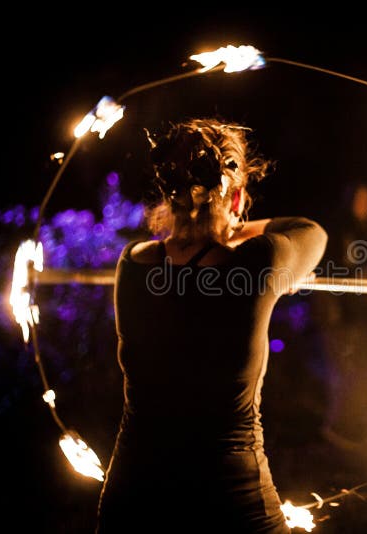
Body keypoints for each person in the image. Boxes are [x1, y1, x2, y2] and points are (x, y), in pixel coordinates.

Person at [96, 118, 327, 533]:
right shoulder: (262, 260)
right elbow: (311, 234)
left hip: (134, 501)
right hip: (233, 503)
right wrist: (232, 231)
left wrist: (214, 228)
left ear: (169, 196)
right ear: (236, 194)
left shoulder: (132, 263)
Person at [314, 183, 367, 448]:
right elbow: (337, 269)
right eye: (360, 199)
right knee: (349, 372)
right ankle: (338, 430)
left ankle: (351, 427)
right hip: (339, 314)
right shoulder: (340, 231)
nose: (365, 205)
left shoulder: (362, 232)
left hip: (354, 315)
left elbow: (363, 268)